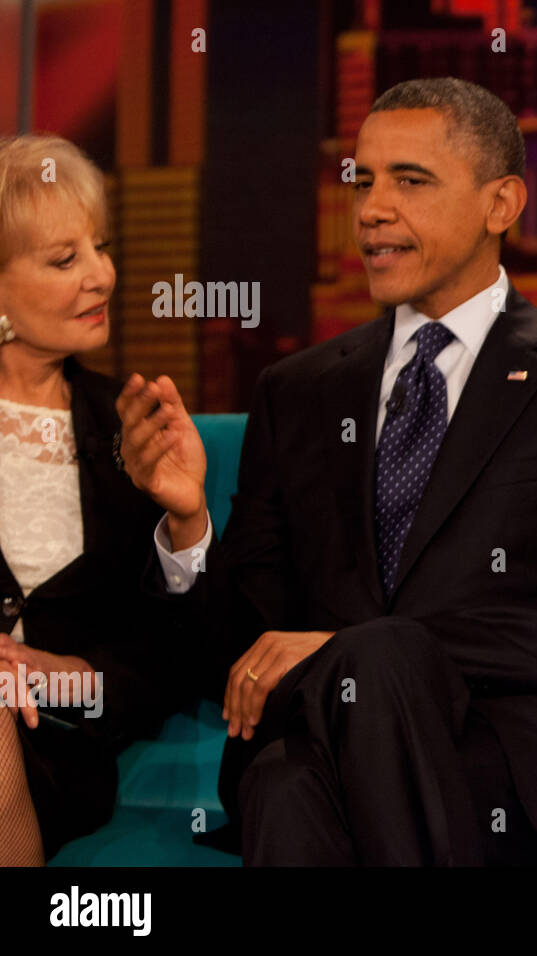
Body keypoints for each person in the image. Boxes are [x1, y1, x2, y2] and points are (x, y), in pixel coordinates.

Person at [118, 76, 537, 866]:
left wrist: (356, 647)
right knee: (284, 782)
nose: (369, 209)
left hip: (521, 761)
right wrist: (188, 526)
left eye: (410, 180)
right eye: (363, 179)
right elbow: (245, 649)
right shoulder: (298, 393)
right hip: (324, 747)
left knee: (349, 699)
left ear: (501, 205)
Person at [0, 133, 197, 865]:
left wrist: (186, 519)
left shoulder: (133, 430)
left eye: (101, 248)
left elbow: (179, 660)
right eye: (64, 259)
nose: (103, 276)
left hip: (52, 752)